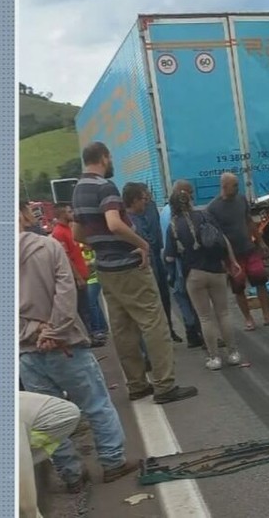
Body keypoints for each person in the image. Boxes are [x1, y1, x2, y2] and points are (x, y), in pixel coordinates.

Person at [17, 201, 138, 491]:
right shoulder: (49, 248)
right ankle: (112, 462)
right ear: (22, 215)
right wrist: (54, 332)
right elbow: (66, 294)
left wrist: (34, 332)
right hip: (66, 346)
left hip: (26, 353)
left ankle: (71, 475)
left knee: (46, 421)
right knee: (96, 403)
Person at [70, 142, 197, 405]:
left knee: (123, 329)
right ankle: (164, 385)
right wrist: (142, 244)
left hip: (106, 270)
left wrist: (100, 245)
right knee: (154, 323)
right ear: (104, 158)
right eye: (111, 156)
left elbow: (77, 234)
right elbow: (114, 223)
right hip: (128, 267)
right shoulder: (105, 187)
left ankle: (137, 384)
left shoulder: (78, 190)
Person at [164, 180, 243, 370]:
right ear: (190, 201)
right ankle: (233, 354)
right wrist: (232, 262)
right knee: (223, 313)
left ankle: (214, 358)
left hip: (194, 275)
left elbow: (169, 257)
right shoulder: (205, 216)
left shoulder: (173, 226)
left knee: (205, 317)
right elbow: (223, 240)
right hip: (216, 271)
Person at [207, 172, 269, 330]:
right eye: (234, 185)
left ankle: (267, 316)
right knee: (239, 287)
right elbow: (215, 235)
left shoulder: (241, 200)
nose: (237, 188)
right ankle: (248, 319)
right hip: (233, 256)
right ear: (224, 186)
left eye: (237, 185)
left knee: (261, 281)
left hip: (249, 249)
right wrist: (223, 259)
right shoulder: (213, 208)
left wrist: (260, 242)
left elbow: (249, 221)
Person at [122, 182, 181, 343]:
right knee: (150, 299)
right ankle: (154, 338)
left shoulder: (151, 207)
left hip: (157, 255)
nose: (147, 198)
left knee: (164, 295)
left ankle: (169, 329)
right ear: (134, 199)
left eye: (147, 195)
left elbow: (155, 229)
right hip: (144, 259)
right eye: (143, 196)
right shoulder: (126, 218)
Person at [157, 181, 204, 349]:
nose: (192, 196)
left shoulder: (163, 212)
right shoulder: (178, 215)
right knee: (194, 298)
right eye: (190, 192)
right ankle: (201, 333)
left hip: (171, 260)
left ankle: (191, 333)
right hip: (181, 261)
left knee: (182, 298)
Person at [50, 204, 104, 347]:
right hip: (76, 278)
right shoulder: (59, 233)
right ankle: (89, 337)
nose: (72, 213)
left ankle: (96, 333)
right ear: (62, 214)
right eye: (69, 211)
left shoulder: (70, 229)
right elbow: (66, 258)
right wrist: (78, 277)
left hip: (84, 274)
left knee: (89, 305)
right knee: (83, 309)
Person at [80, 244, 110, 345]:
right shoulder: (78, 244)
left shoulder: (86, 242)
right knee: (95, 304)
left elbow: (97, 256)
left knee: (91, 304)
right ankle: (102, 327)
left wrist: (88, 263)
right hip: (88, 278)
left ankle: (97, 330)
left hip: (93, 277)